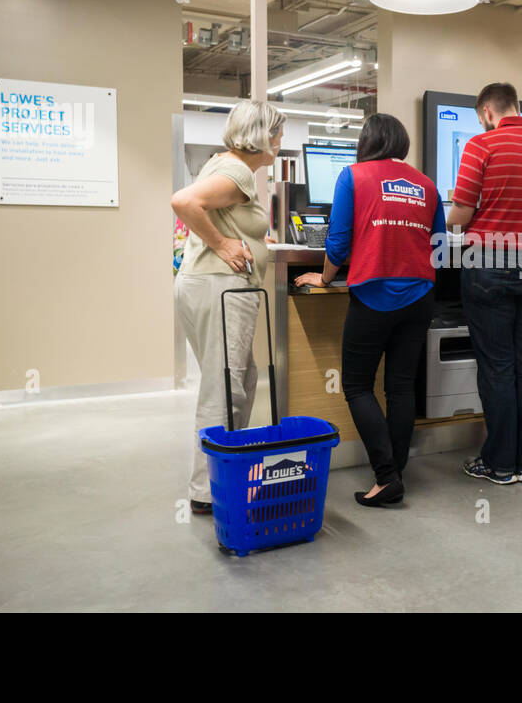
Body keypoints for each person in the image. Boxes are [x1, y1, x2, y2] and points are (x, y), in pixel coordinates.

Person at [295, 114, 445, 507]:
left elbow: (339, 242)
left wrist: (325, 279)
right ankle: (396, 471)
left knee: (358, 385)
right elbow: (441, 242)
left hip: (374, 295)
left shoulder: (353, 175)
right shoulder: (427, 184)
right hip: (420, 295)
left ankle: (387, 476)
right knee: (400, 386)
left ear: (367, 141)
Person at [448, 83, 522, 485]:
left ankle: (499, 464)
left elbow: (461, 215)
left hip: (489, 264)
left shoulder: (481, 146)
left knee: (498, 365)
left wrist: (452, 212)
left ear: (486, 110)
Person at [171, 99, 285, 513]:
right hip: (220, 287)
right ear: (260, 136)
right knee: (223, 388)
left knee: (239, 380)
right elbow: (184, 202)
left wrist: (254, 240)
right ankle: (207, 491)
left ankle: (228, 469)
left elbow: (224, 218)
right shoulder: (237, 171)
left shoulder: (226, 164)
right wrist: (223, 245)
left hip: (207, 285)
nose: (280, 140)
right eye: (277, 132)